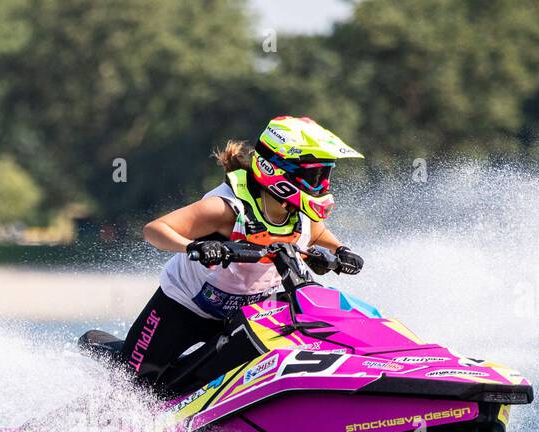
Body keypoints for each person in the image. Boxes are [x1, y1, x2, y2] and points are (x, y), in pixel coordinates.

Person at [121, 116, 365, 389]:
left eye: (325, 176)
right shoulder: (224, 208)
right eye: (314, 176)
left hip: (249, 313)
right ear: (275, 170)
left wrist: (342, 250)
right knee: (133, 385)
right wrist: (195, 246)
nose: (321, 186)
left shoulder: (299, 212)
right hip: (182, 308)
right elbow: (154, 230)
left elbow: (316, 234)